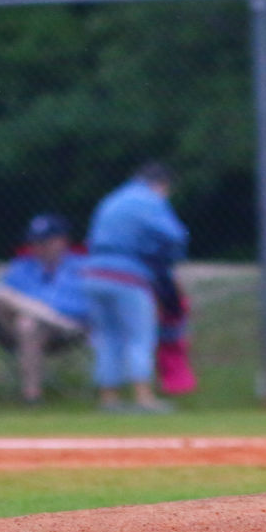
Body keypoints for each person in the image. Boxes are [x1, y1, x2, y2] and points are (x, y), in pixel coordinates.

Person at [80, 162, 188, 413]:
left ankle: (109, 399)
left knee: (107, 338)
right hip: (128, 275)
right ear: (162, 185)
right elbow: (175, 235)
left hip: (93, 273)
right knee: (140, 337)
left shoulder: (112, 199)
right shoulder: (149, 200)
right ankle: (144, 398)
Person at [0, 213, 90, 403]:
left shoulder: (81, 266)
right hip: (20, 329)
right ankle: (32, 395)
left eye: (46, 241)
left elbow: (80, 306)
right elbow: (2, 301)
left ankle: (31, 395)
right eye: (35, 242)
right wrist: (37, 308)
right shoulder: (21, 267)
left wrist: (29, 305)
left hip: (68, 330)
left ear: (62, 241)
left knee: (25, 320)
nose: (39, 247)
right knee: (21, 316)